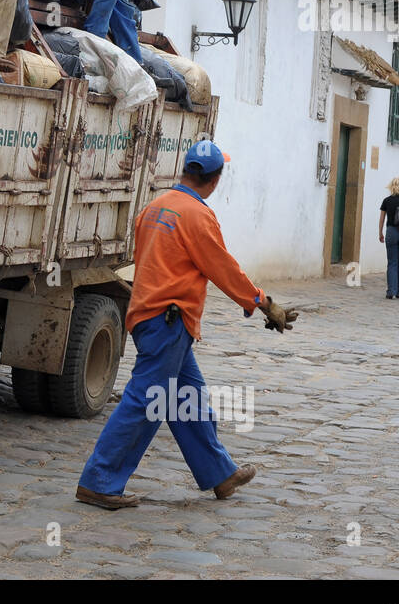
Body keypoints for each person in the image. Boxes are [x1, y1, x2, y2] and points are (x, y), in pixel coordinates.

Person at [74, 141, 298, 510]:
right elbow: (222, 267)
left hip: (150, 316)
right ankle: (98, 481)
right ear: (215, 179)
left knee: (187, 399)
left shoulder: (154, 208)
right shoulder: (197, 216)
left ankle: (219, 474)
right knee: (145, 402)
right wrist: (262, 303)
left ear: (186, 171)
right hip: (169, 321)